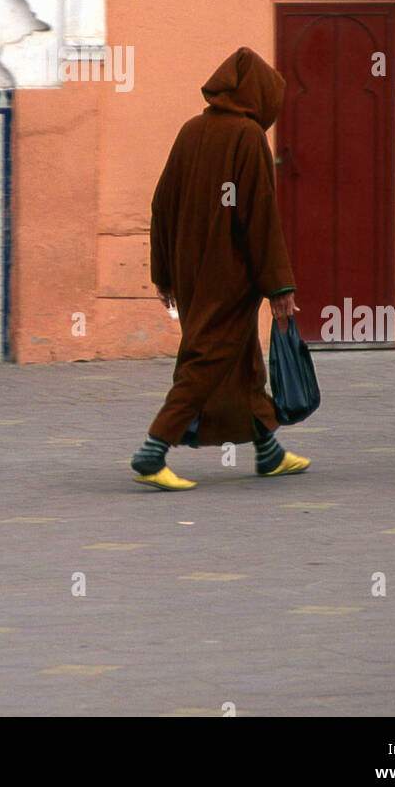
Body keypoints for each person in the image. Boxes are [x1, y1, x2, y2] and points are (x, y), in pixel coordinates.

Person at [131, 46, 310, 490]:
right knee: (207, 356)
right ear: (258, 95)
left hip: (192, 271)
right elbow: (260, 218)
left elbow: (162, 203)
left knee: (242, 358)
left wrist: (165, 273)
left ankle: (267, 452)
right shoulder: (248, 137)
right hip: (231, 273)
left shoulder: (191, 131)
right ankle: (154, 450)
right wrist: (279, 285)